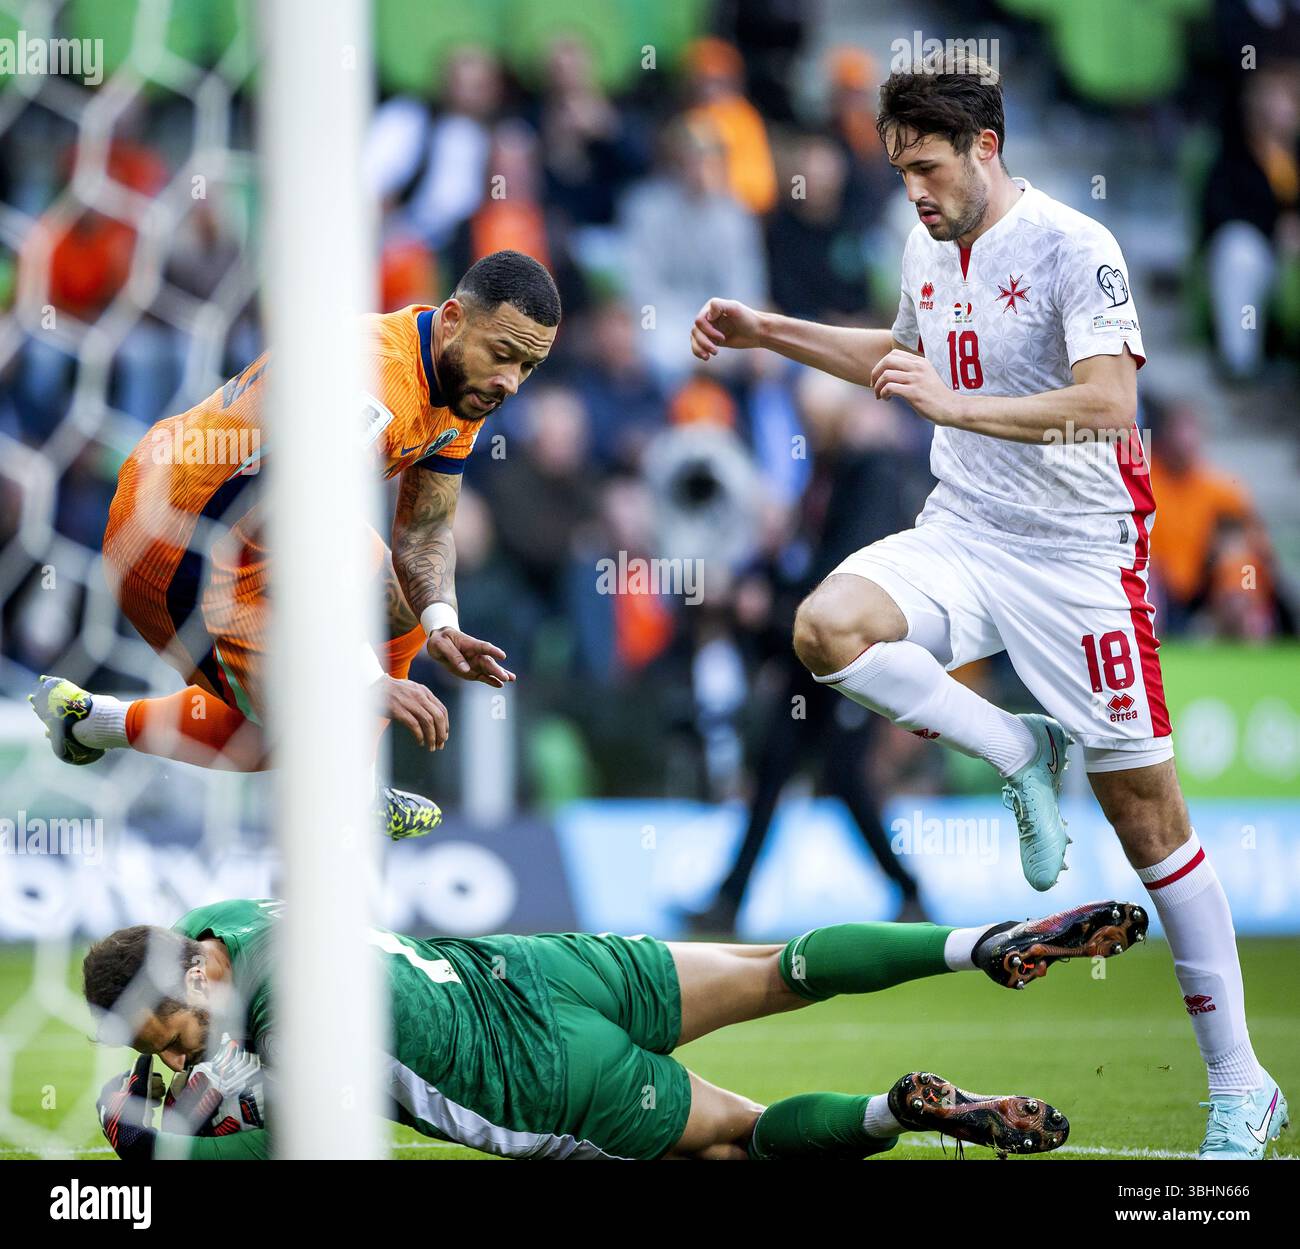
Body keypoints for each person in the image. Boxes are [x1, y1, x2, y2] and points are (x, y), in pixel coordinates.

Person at [689, 51, 1286, 1160]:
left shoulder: (1075, 246)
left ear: (985, 149)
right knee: (824, 629)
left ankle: (1242, 1082)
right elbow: (904, 359)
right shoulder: (927, 244)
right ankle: (1016, 750)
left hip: (1077, 559)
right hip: (962, 533)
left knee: (1150, 825)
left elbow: (1108, 406)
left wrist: (951, 401)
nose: (911, 191)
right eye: (897, 169)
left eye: (925, 166)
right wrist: (770, 330)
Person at [31, 251, 559, 839]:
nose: (509, 382)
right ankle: (349, 785)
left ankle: (86, 723)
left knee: (404, 605)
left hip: (271, 533)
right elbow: (310, 527)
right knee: (288, 739)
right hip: (179, 547)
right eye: (504, 356)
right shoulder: (375, 378)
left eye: (529, 367)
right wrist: (361, 678)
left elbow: (426, 526)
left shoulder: (462, 382)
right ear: (455, 318)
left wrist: (441, 619)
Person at [84, 895, 1149, 1160]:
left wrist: (160, 1134)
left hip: (532, 1073)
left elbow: (285, 1136)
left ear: (185, 981)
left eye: (164, 1035)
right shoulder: (228, 918)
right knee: (777, 967)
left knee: (739, 1140)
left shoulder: (282, 1032)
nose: (173, 1055)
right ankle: (983, 941)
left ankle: (894, 1113)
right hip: (541, 966)